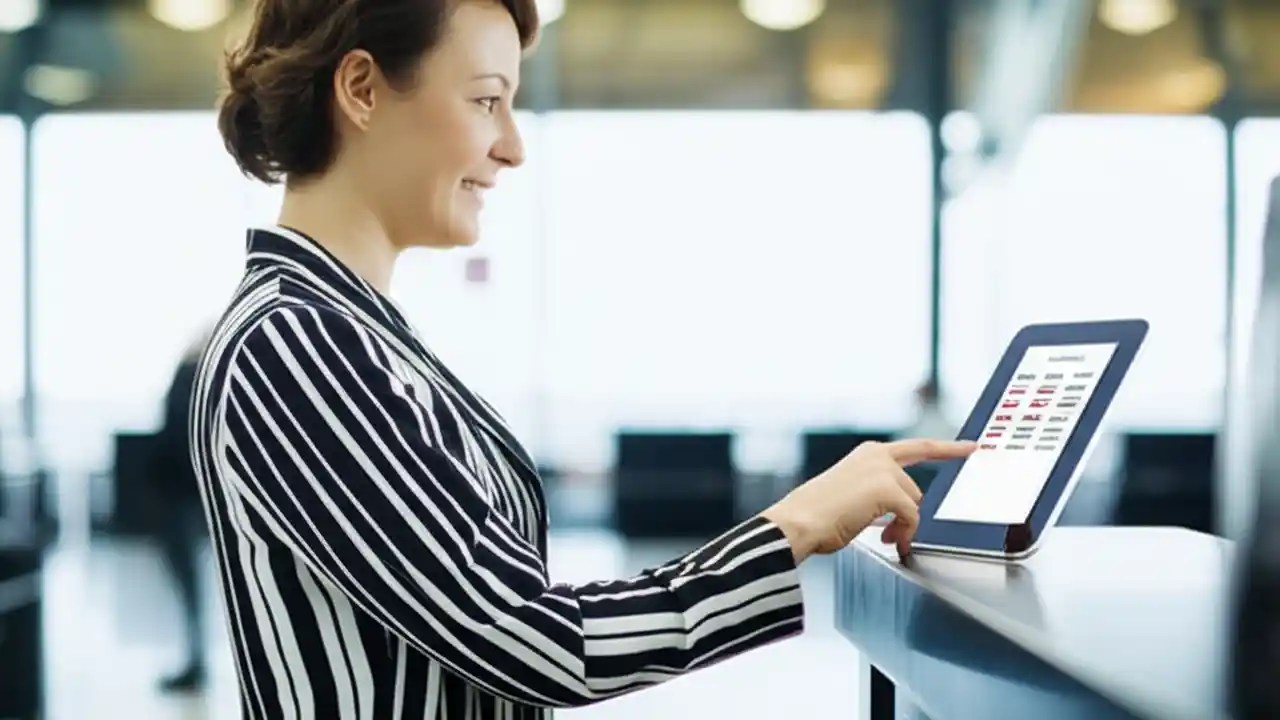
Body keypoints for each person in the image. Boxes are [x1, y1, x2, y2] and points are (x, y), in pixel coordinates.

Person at [194, 1, 976, 718]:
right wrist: (793, 527)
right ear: (361, 89)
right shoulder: (294, 345)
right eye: (485, 99)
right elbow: (531, 638)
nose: (512, 145)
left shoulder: (343, 333)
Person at [152, 325, 213, 692]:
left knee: (189, 585)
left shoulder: (192, 377)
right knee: (188, 585)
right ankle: (195, 660)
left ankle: (195, 662)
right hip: (184, 495)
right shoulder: (197, 377)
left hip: (183, 497)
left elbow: (179, 438)